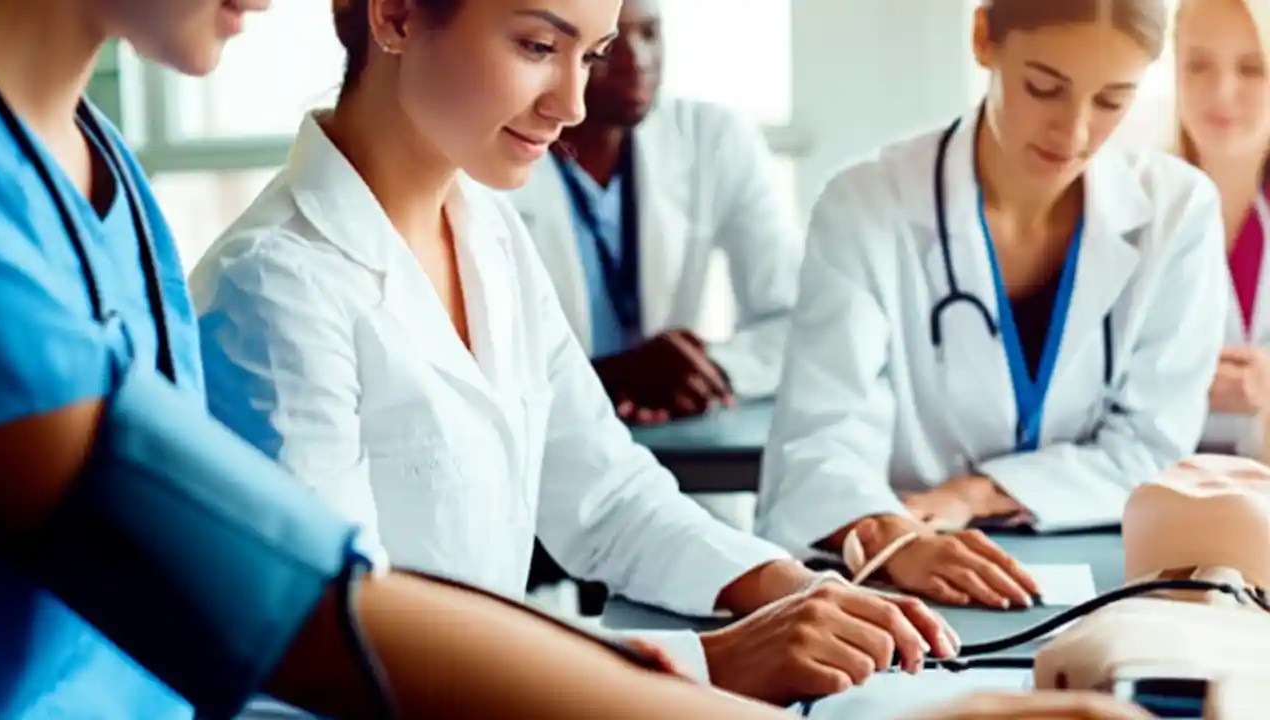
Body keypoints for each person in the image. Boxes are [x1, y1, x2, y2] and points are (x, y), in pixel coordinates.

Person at [190, 0, 956, 706]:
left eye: (588, 55)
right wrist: (705, 665)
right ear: (394, 14)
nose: (574, 104)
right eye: (536, 45)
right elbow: (350, 637)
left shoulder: (490, 234)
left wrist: (789, 588)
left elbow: (607, 497)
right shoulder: (272, 287)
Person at [756, 0, 1226, 610]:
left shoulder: (1177, 210)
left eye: (1112, 100)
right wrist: (895, 541)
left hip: (1102, 579)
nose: (1075, 131)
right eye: (1044, 88)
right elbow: (818, 445)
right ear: (984, 38)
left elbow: (1152, 447)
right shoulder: (867, 206)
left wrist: (975, 495)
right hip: (900, 587)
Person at [507, 0, 802, 423]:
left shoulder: (713, 137)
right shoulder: (490, 153)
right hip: (545, 448)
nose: (637, 61)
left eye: (649, 34)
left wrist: (703, 372)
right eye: (606, 45)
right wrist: (603, 380)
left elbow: (795, 317)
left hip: (675, 437)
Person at [1175, 0, 1270, 459]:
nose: (1222, 91)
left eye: (1252, 68)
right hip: (1144, 498)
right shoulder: (1123, 215)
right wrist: (1174, 381)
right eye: (1198, 65)